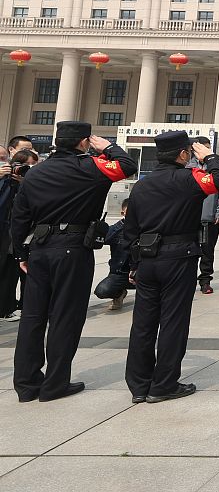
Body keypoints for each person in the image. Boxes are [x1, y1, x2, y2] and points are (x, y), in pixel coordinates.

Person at [10, 121, 136, 402]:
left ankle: (27, 384)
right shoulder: (91, 167)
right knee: (65, 316)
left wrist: (20, 253)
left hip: (39, 249)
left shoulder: (36, 172)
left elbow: (19, 218)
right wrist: (109, 146)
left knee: (33, 316)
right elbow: (127, 166)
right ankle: (55, 384)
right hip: (72, 248)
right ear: (84, 142)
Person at [122, 130, 219, 404]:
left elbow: (130, 228)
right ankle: (164, 384)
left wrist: (134, 263)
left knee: (143, 324)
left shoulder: (142, 185)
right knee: (173, 321)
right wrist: (211, 157)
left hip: (146, 259)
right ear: (184, 154)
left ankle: (139, 385)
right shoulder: (188, 178)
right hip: (178, 257)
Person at [1, 148, 41, 321]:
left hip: (28, 236)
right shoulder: (5, 181)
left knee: (24, 274)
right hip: (6, 236)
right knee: (6, 273)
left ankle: (23, 306)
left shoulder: (35, 183)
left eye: (33, 165)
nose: (28, 169)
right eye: (25, 165)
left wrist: (27, 182)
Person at [189, 136, 219, 295]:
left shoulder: (218, 165)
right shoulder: (188, 166)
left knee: (207, 250)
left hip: (210, 217)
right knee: (189, 250)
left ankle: (205, 280)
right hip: (190, 218)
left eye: (207, 148)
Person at [94, 199, 133, 312]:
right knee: (102, 291)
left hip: (140, 273)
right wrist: (122, 224)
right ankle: (119, 294)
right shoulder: (116, 229)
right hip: (120, 274)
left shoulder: (145, 227)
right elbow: (103, 239)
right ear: (123, 213)